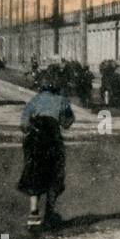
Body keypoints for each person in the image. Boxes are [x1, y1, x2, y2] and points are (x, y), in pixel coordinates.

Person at [17, 76, 75, 228]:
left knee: (34, 172)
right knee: (54, 174)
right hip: (52, 139)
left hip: (35, 140)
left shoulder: (34, 100)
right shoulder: (62, 100)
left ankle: (33, 213)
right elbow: (66, 123)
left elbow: (23, 125)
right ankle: (49, 214)